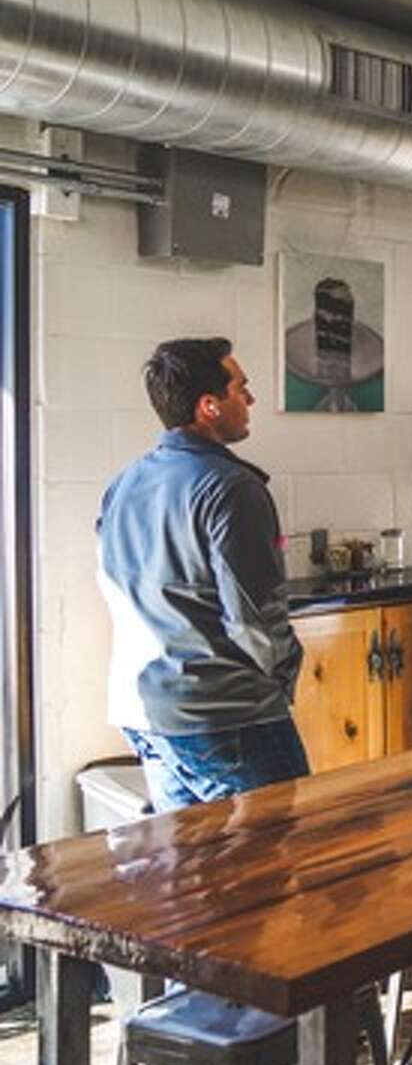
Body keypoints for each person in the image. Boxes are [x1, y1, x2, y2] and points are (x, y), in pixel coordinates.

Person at [97, 338, 308, 811]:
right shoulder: (234, 489)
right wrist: (284, 675)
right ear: (209, 406)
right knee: (276, 861)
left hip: (145, 712)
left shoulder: (124, 483)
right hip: (225, 715)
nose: (250, 400)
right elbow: (253, 617)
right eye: (242, 389)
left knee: (194, 874)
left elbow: (112, 584)